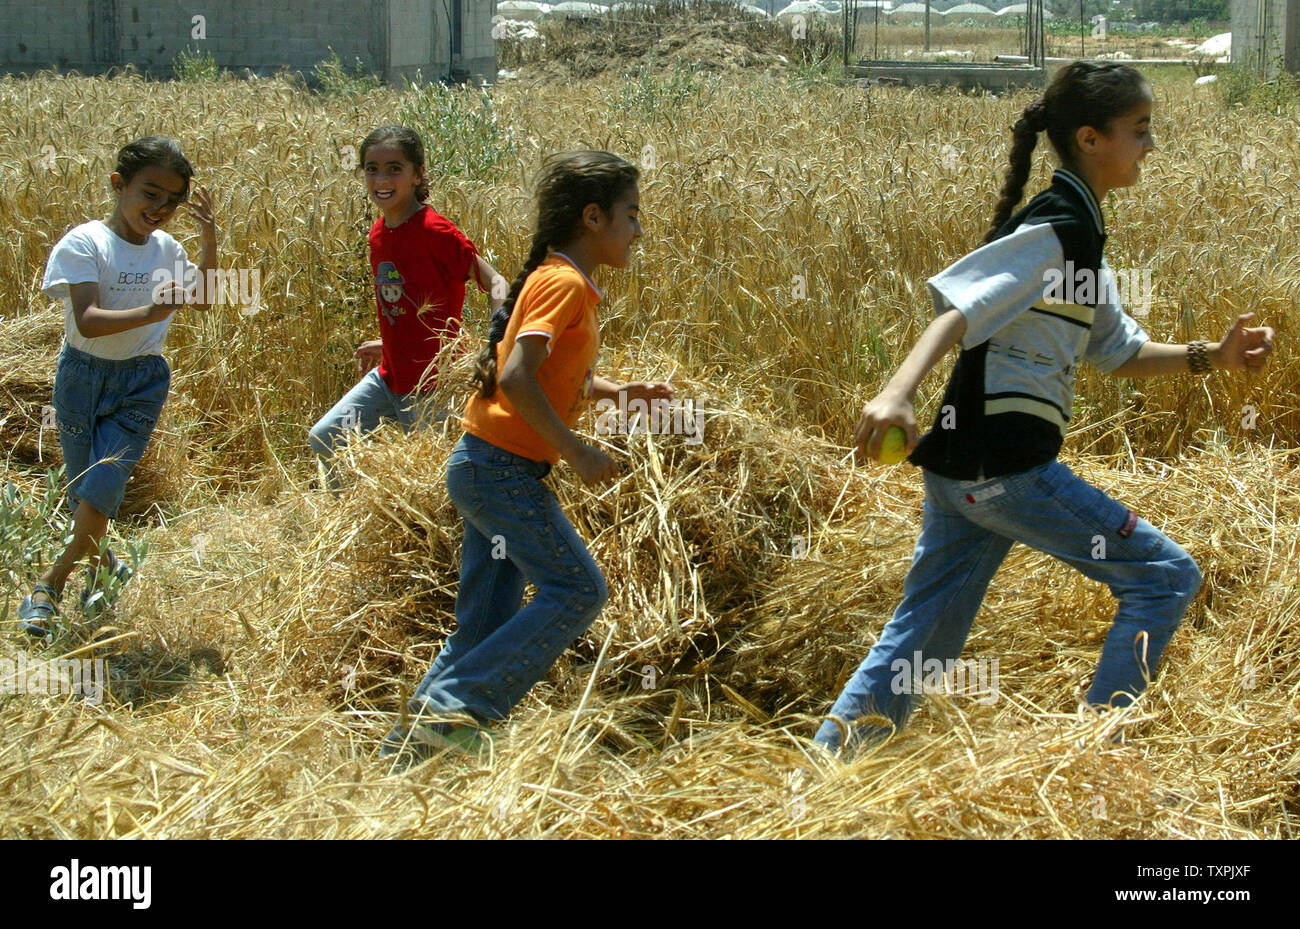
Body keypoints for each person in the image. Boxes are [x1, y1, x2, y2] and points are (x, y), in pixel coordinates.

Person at [816, 62, 1276, 756]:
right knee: (1164, 577)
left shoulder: (1079, 233)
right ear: (1090, 138)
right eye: (1140, 130)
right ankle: (1091, 760)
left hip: (962, 473)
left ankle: (824, 772)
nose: (1151, 144)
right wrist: (897, 390)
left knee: (922, 637)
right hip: (1006, 466)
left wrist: (1215, 355)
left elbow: (1116, 351)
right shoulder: (1059, 227)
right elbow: (958, 312)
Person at [382, 150, 673, 762]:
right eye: (631, 214)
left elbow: (542, 375)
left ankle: (404, 758)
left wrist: (619, 393)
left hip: (486, 467)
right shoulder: (563, 282)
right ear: (593, 217)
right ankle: (460, 709)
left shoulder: (558, 279)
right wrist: (578, 453)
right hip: (503, 471)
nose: (639, 230)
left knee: (484, 627)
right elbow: (516, 378)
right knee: (579, 591)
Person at [19, 136, 217, 636]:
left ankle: (49, 586)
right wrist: (151, 310)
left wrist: (209, 238)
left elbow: (205, 299)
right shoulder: (85, 243)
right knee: (83, 490)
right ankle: (105, 566)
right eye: (150, 193)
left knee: (104, 482)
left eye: (172, 199)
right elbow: (85, 321)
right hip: (80, 378)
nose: (161, 208)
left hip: (141, 381)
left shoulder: (168, 249)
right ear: (117, 184)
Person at [308, 125, 505, 488]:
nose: (381, 178)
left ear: (417, 175)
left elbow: (495, 283)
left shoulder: (436, 232)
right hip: (389, 378)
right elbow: (410, 304)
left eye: (394, 168)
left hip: (432, 387)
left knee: (435, 482)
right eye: (371, 168)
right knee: (326, 437)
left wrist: (498, 340)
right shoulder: (378, 234)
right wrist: (391, 344)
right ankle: (357, 524)